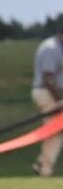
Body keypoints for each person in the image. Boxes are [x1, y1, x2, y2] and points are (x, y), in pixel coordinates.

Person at [34, 33, 63, 178]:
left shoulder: (58, 47)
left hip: (51, 93)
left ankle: (42, 164)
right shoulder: (51, 48)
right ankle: (44, 169)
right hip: (46, 93)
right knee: (54, 129)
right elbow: (48, 78)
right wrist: (60, 101)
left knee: (56, 130)